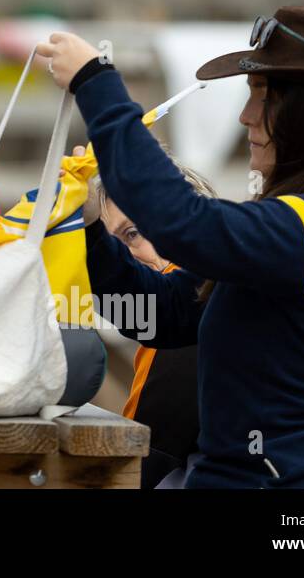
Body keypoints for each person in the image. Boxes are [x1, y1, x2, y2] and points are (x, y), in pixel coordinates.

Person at [37, 7, 304, 488]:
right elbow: (164, 315)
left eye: (264, 96)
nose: (245, 116)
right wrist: (92, 226)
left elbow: (180, 222)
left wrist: (96, 83)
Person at [85, 161, 213, 488]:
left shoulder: (187, 316)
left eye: (134, 233)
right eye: (111, 246)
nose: (124, 257)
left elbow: (143, 462)